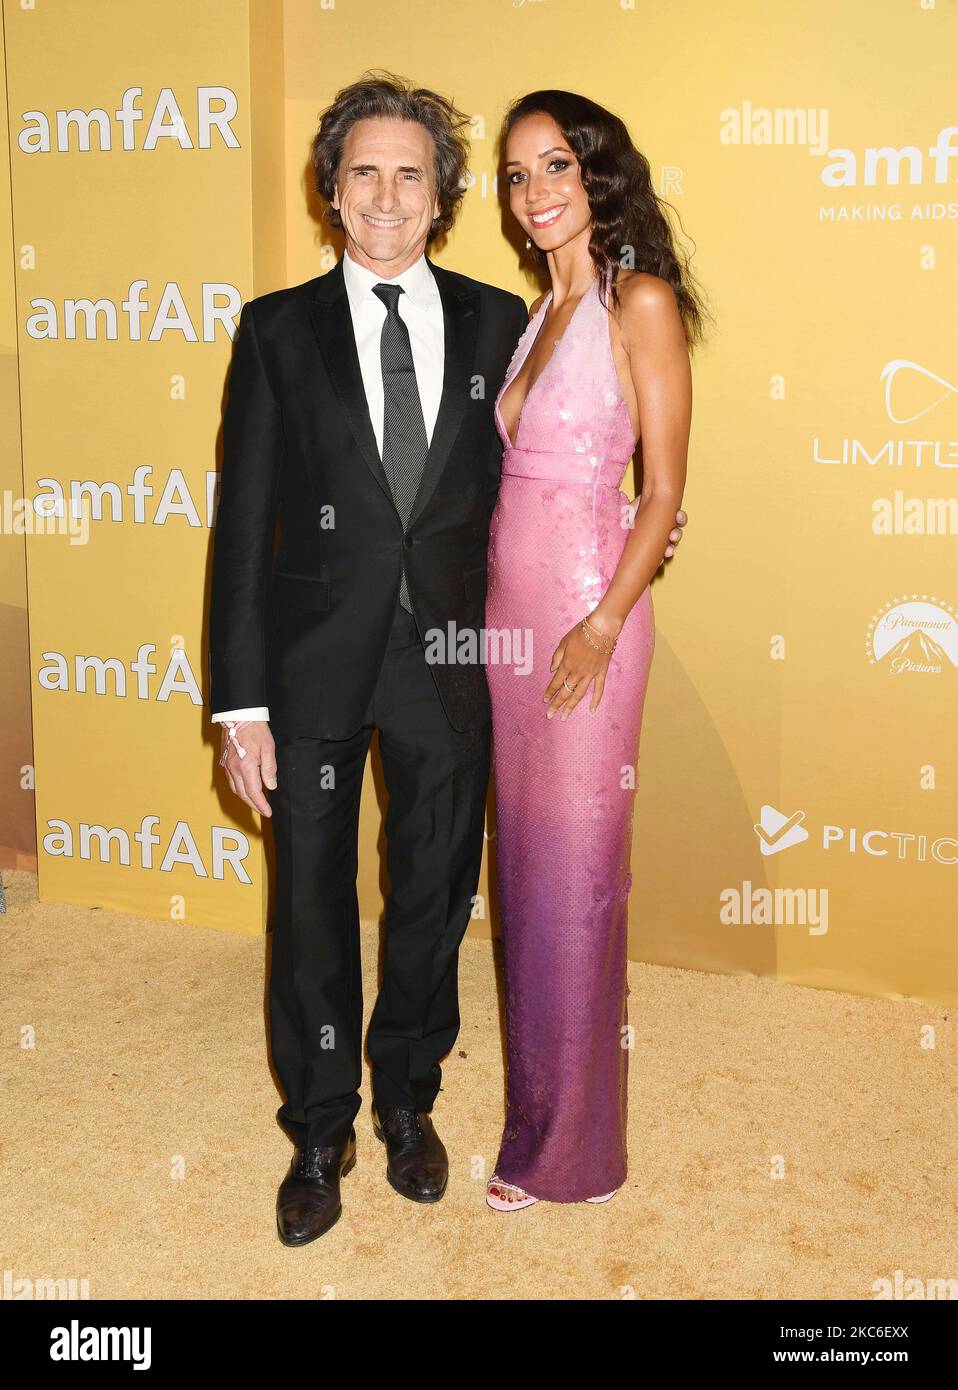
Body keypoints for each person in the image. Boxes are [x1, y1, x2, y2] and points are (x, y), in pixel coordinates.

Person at [209, 72, 688, 1245]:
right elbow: (242, 525)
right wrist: (239, 704)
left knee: (429, 899)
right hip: (312, 669)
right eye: (362, 171)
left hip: (460, 659)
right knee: (311, 908)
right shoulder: (276, 328)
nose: (385, 194)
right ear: (332, 192)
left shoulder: (495, 320)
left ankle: (408, 1104)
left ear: (442, 198)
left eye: (410, 173)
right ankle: (319, 1128)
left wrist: (644, 525)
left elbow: (566, 471)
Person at [484, 90, 704, 1209]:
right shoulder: (539, 310)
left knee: (573, 881)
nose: (535, 192)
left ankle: (569, 1154)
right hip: (508, 623)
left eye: (555, 165)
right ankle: (536, 1110)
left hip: (586, 617)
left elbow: (661, 492)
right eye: (518, 175)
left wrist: (604, 620)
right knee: (523, 874)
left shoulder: (640, 301)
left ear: (599, 172)